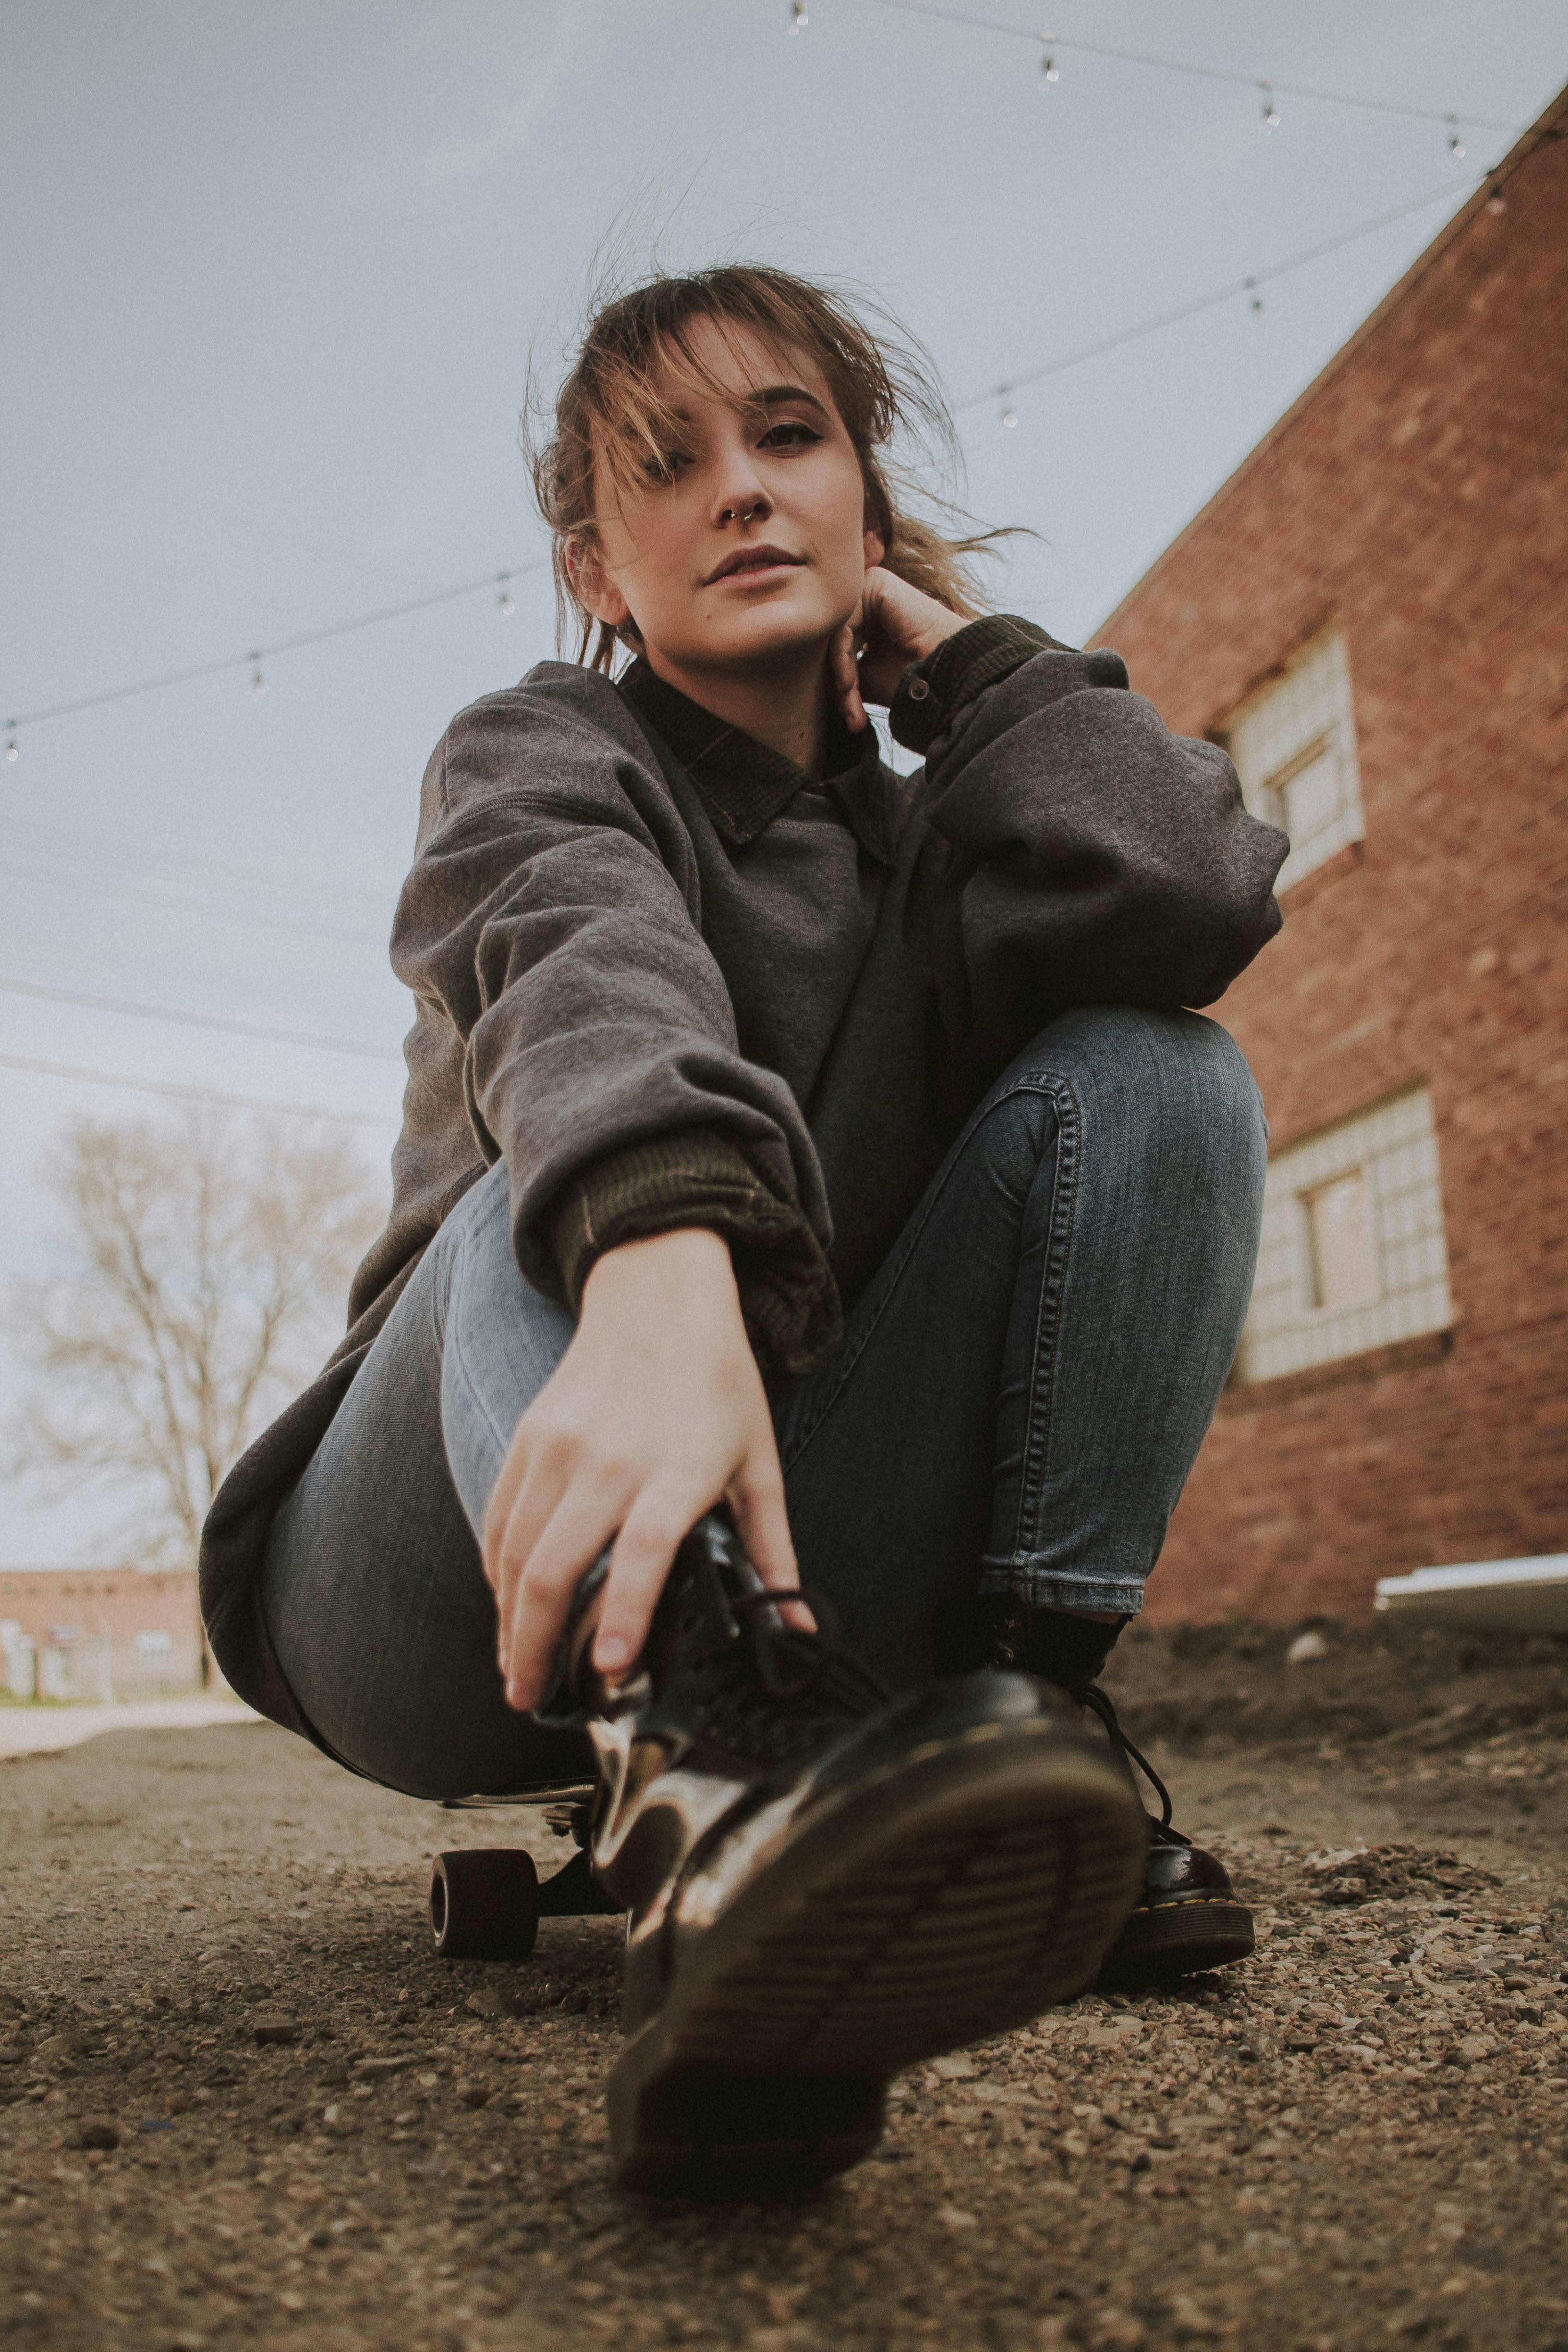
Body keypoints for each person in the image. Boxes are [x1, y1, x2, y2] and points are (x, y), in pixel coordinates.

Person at [201, 264, 1288, 2196]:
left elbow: (1193, 887)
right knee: (546, 1211)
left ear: (866, 506)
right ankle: (696, 1785)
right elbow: (573, 950)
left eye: (790, 437)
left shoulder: (958, 843)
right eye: (670, 462)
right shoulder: (539, 752)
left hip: (806, 1538)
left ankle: (1017, 1745)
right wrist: (658, 1252)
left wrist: (971, 674)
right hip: (448, 1576)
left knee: (1166, 1072)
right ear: (595, 564)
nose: (741, 489)